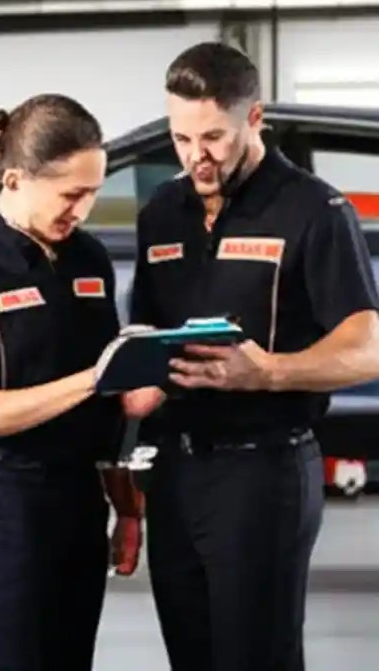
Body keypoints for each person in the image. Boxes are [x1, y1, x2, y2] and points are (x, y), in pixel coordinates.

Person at [128, 41, 379, 670]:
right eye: (182, 139)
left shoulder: (314, 211)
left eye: (212, 136)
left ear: (255, 119)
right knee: (190, 655)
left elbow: (366, 347)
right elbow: (146, 331)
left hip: (263, 474)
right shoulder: (162, 212)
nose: (195, 156)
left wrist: (268, 371)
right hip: (176, 477)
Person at [0, 93, 159, 670]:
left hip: (78, 498)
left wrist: (124, 505)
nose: (84, 209)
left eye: (94, 193)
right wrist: (95, 380)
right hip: (1, 503)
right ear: (15, 180)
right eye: (71, 194)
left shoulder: (88, 261)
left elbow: (103, 406)